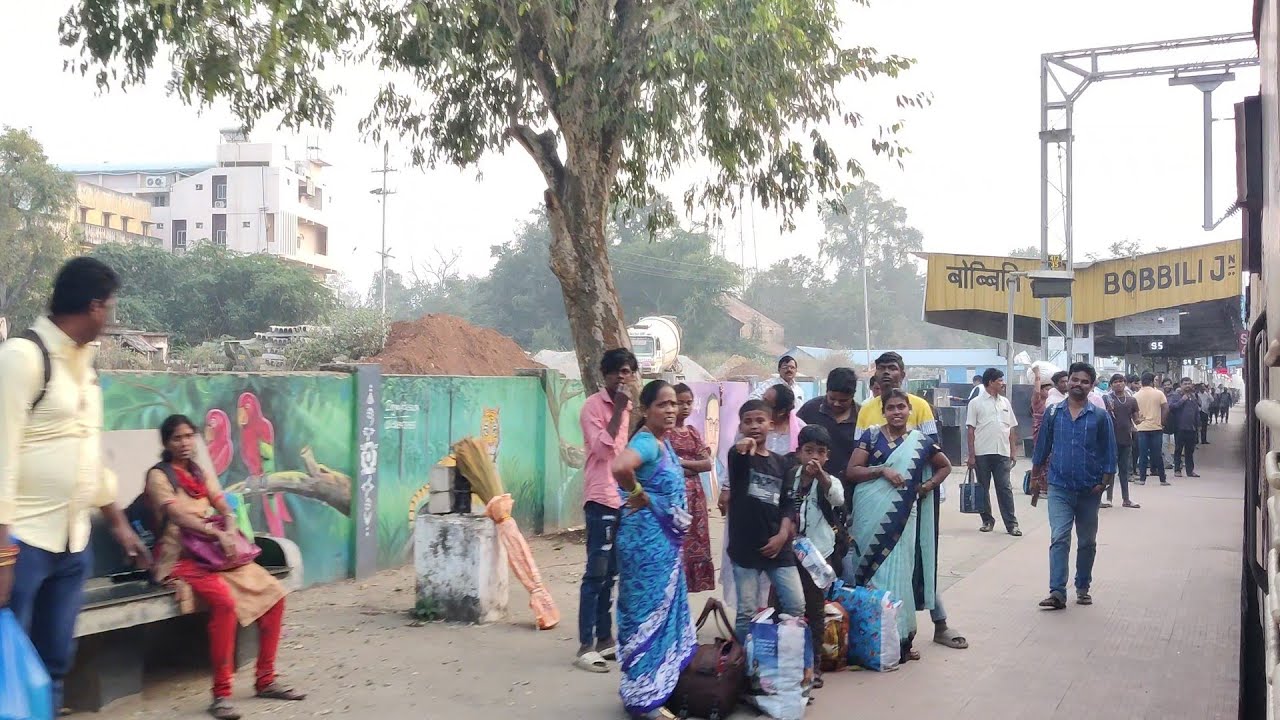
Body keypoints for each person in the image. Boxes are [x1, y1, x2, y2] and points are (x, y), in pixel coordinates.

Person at [0, 257, 151, 713]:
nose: (111, 319)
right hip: (24, 540)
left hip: (72, 542)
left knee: (53, 663)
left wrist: (120, 524)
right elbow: (1, 454)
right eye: (110, 308)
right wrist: (3, 553)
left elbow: (89, 456)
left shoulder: (85, 368)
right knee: (10, 661)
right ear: (92, 307)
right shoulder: (23, 358)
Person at [146, 415, 304, 719]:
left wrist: (229, 527)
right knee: (224, 604)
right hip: (180, 560)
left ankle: (266, 680)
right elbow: (178, 517)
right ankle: (221, 695)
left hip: (214, 556)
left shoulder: (199, 472)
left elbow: (222, 504)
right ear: (166, 443)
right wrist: (216, 533)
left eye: (189, 436)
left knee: (275, 595)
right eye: (177, 438)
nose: (185, 443)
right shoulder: (159, 476)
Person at [852, 351, 967, 651]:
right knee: (869, 567)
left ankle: (914, 632)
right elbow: (854, 462)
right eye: (882, 368)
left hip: (910, 506)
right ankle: (871, 636)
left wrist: (927, 489)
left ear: (903, 373)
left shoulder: (921, 407)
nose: (896, 412)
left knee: (914, 564)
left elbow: (930, 455)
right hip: (870, 505)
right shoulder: (866, 411)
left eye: (893, 368)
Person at [609, 380, 696, 720]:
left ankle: (654, 688)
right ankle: (644, 697)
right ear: (646, 410)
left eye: (674, 403)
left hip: (662, 546)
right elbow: (619, 467)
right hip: (646, 547)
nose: (671, 410)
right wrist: (638, 493)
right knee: (646, 615)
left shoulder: (663, 442)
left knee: (659, 616)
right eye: (663, 404)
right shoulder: (646, 442)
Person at [1031, 362, 1117, 610]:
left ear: (1092, 386)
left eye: (1084, 381)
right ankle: (1057, 592)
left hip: (1090, 490)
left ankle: (1082, 586)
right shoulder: (1053, 413)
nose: (1078, 384)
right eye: (1075, 380)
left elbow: (1109, 453)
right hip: (1059, 487)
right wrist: (1036, 478)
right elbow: (1042, 448)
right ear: (1067, 381)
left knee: (1087, 541)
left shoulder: (1099, 416)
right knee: (1059, 537)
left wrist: (1103, 483)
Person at [574, 348, 637, 672]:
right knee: (595, 574)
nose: (622, 377)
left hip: (620, 497)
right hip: (599, 498)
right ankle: (585, 645)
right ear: (605, 374)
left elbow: (623, 456)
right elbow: (601, 450)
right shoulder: (593, 408)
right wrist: (618, 413)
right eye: (617, 371)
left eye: (628, 371)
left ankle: (604, 639)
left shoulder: (624, 411)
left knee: (611, 573)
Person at [724, 399, 806, 644]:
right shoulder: (738, 456)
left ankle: (785, 658)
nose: (754, 426)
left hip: (778, 548)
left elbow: (788, 504)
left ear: (770, 424)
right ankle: (743, 666)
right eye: (748, 422)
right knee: (747, 613)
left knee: (795, 605)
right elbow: (738, 454)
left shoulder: (782, 463)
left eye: (760, 421)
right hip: (745, 549)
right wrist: (742, 446)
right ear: (740, 426)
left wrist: (782, 536)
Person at [786, 424, 844, 687]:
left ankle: (814, 667)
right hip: (788, 553)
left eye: (820, 452)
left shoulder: (830, 481)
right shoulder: (790, 477)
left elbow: (838, 500)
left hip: (818, 554)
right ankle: (788, 662)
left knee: (815, 610)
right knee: (785, 607)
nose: (814, 457)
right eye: (809, 450)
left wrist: (822, 478)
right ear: (799, 452)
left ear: (827, 456)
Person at [668, 383, 715, 593]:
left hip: (696, 497)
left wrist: (683, 463)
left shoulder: (693, 432)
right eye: (680, 403)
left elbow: (707, 464)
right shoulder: (665, 434)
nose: (685, 407)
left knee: (696, 538)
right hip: (674, 496)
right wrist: (690, 465)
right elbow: (667, 466)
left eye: (689, 403)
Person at [966, 368, 1021, 536]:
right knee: (983, 488)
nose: (1002, 383)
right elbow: (970, 430)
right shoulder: (975, 403)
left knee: (1004, 488)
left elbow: (1011, 428)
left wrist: (1013, 451)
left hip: (1002, 452)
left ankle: (1012, 525)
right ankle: (987, 520)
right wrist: (971, 455)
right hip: (982, 452)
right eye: (999, 380)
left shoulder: (1005, 402)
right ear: (990, 382)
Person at [797, 367, 860, 498]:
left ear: (853, 395)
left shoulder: (862, 416)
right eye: (832, 398)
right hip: (810, 485)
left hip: (848, 489)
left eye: (843, 401)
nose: (836, 404)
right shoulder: (810, 409)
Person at [1103, 373, 1140, 509]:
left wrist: (1141, 421)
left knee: (1124, 470)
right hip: (1110, 440)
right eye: (1115, 382)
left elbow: (1136, 419)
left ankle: (1126, 499)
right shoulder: (1106, 399)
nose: (1118, 384)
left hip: (1126, 439)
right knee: (1110, 470)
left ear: (1125, 383)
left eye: (1121, 381)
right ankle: (1108, 498)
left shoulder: (1131, 400)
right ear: (1111, 385)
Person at [1133, 372, 1169, 487]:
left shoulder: (1136, 395)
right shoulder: (1159, 394)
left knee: (1143, 454)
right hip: (1156, 427)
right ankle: (1162, 479)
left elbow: (1133, 412)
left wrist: (1137, 423)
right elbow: (1165, 408)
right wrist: (1162, 422)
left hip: (1142, 428)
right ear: (1152, 381)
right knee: (1157, 454)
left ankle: (1142, 479)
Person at [1168, 377, 1201, 478]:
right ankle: (1177, 470)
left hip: (1191, 428)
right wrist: (1182, 400)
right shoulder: (1176, 396)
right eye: (1185, 384)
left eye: (1189, 384)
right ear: (1181, 385)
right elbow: (1171, 407)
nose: (1187, 386)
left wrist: (1198, 425)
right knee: (1178, 450)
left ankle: (1190, 471)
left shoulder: (1194, 397)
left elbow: (1196, 412)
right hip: (1179, 428)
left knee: (1190, 451)